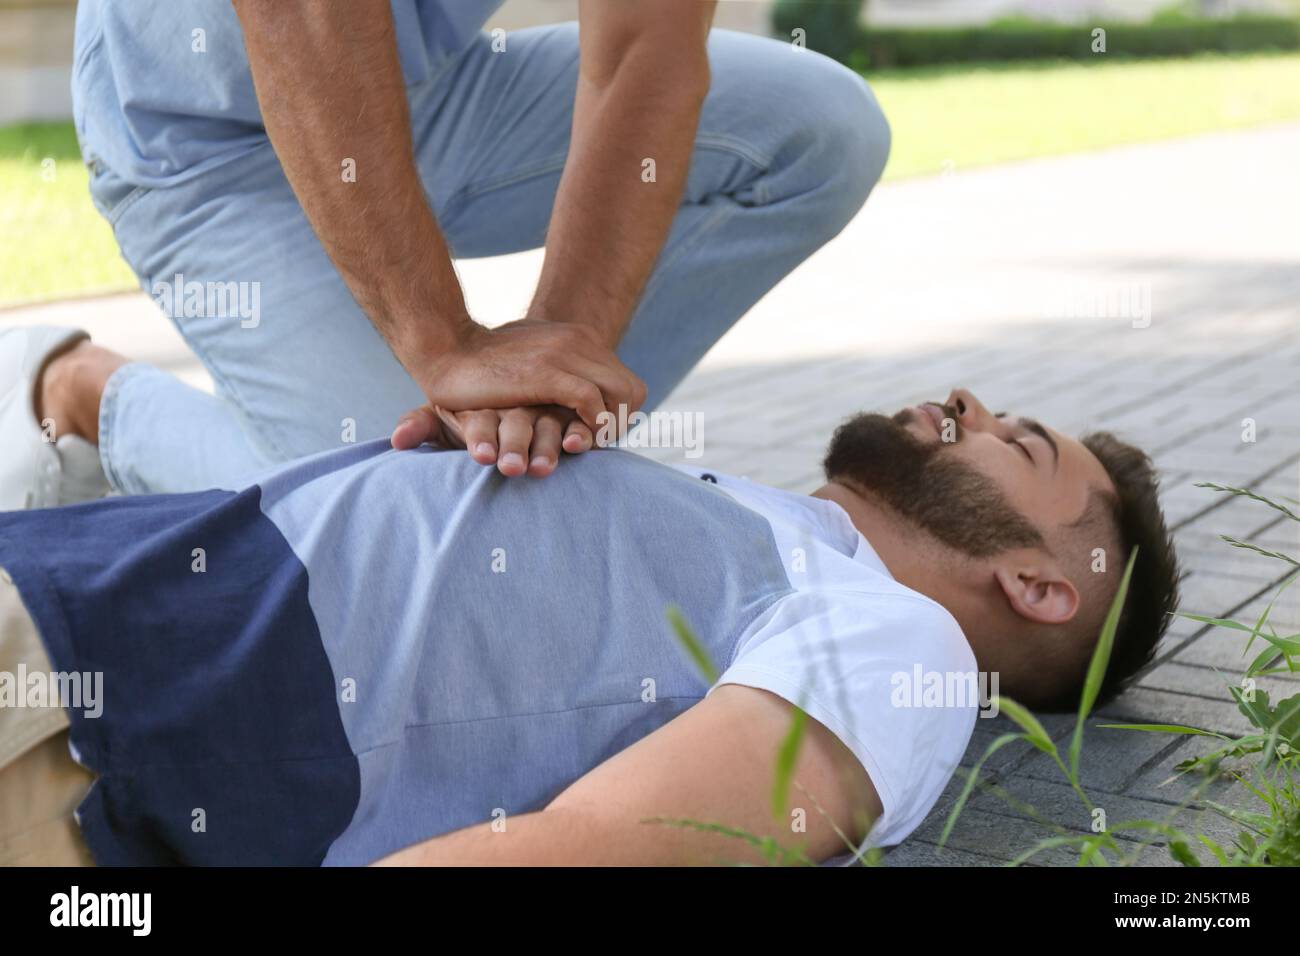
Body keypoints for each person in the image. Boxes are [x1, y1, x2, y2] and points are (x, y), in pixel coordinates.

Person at [0, 327, 1179, 866]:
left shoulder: (898, 644)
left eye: (1008, 438)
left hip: (100, 711)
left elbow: (590, 848)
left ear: (1037, 582)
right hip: (99, 600)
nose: (962, 399)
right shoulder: (771, 534)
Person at [69, 0, 891, 482]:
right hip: (206, 145)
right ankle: (84, 397)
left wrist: (554, 368)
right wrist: (442, 346)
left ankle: (533, 454)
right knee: (404, 504)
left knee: (822, 133)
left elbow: (647, 50)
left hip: (429, 95)